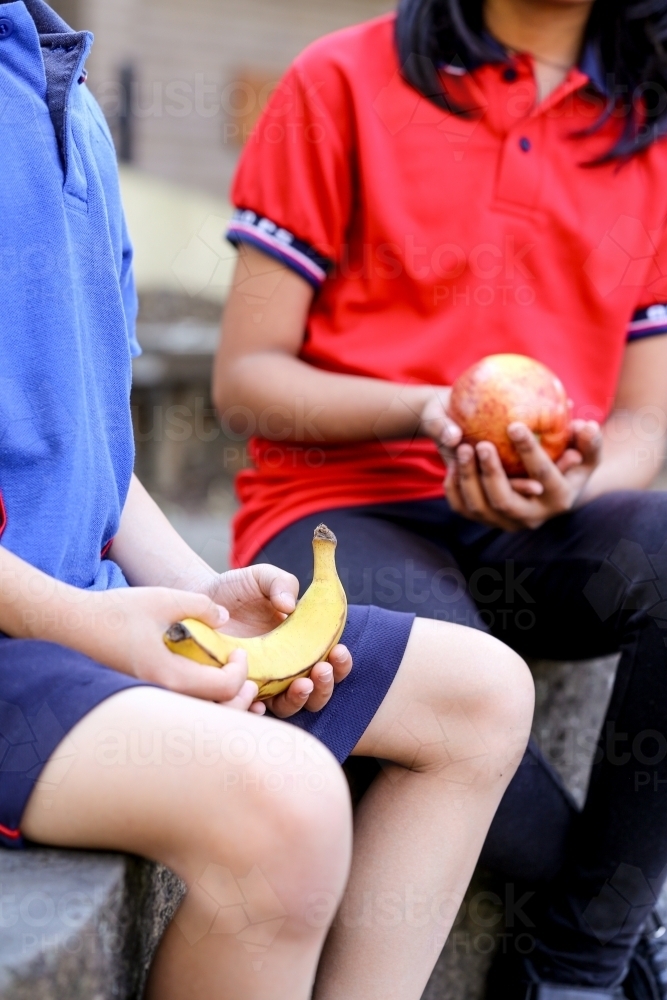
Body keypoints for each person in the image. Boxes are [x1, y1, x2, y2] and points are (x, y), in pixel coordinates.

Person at [0, 2, 534, 999]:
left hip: (94, 613)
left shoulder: (64, 90)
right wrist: (90, 623)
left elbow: (94, 463)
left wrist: (204, 595)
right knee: (288, 805)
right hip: (24, 641)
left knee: (483, 695)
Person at [213, 0, 667, 996]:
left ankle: (574, 966)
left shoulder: (650, 126)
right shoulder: (337, 80)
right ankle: (608, 940)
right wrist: (427, 409)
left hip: (542, 526)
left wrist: (566, 486)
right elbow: (245, 377)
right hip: (334, 508)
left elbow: (645, 420)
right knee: (452, 694)